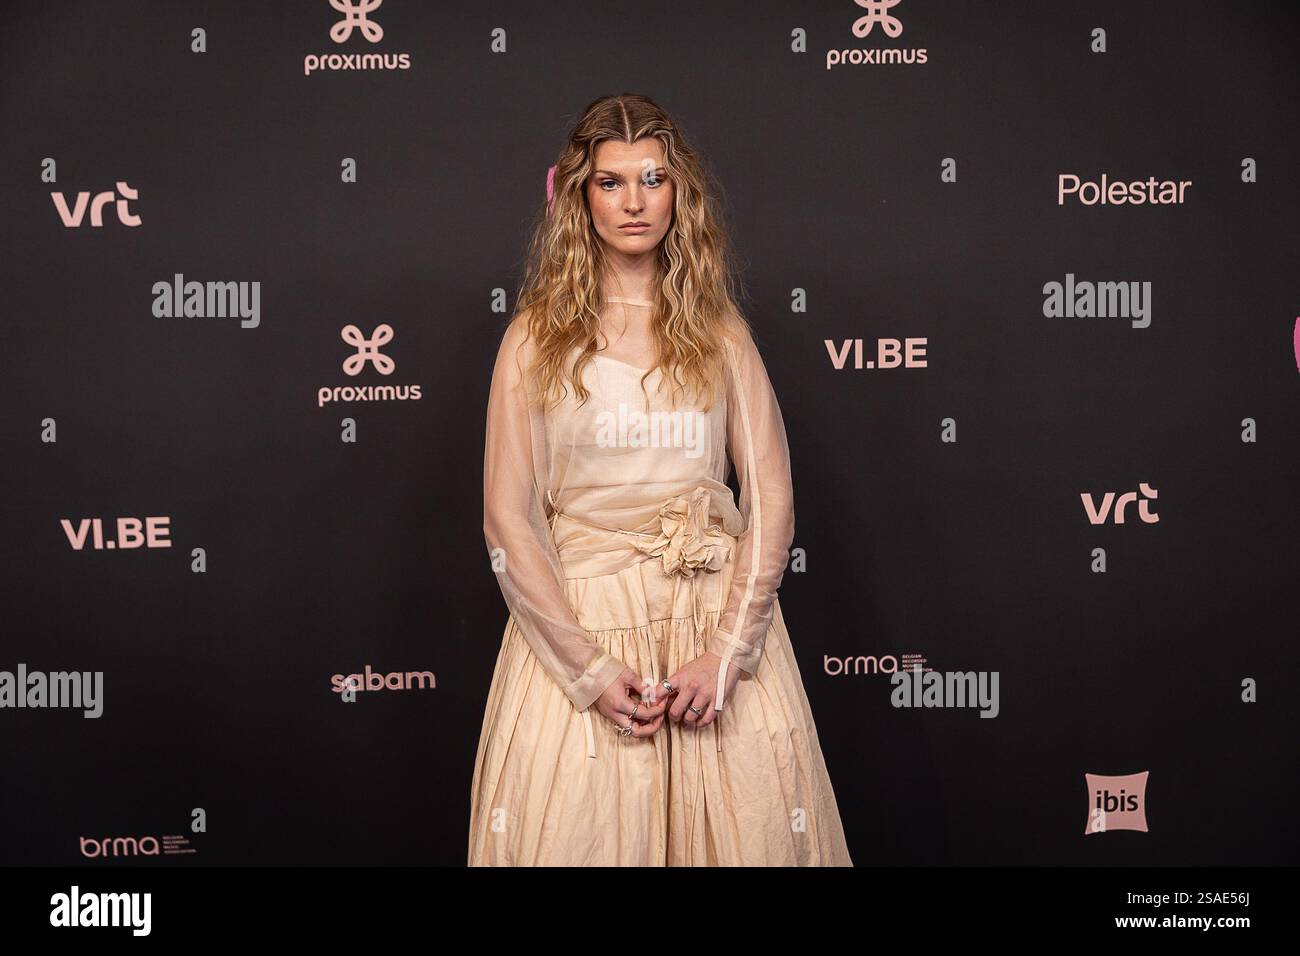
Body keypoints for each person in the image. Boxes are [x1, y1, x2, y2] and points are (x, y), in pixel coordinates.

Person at [469, 93, 852, 866]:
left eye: (653, 179)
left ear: (681, 192)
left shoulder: (721, 334)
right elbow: (507, 519)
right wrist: (590, 670)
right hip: (580, 631)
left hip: (713, 637)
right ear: (578, 195)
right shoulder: (532, 340)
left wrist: (727, 653)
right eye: (611, 182)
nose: (634, 202)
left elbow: (770, 497)